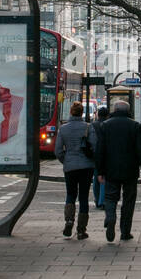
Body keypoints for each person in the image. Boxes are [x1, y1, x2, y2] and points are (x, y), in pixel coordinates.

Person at [95, 98, 141, 242]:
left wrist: (100, 171)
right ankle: (125, 231)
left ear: (115, 110)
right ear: (128, 111)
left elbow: (100, 150)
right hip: (130, 170)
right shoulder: (134, 125)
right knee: (129, 201)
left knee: (111, 197)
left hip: (111, 169)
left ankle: (111, 217)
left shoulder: (105, 125)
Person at [55, 101, 95, 239]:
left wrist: (65, 161)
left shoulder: (63, 129)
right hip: (86, 167)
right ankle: (81, 230)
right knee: (83, 197)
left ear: (71, 112)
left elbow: (58, 150)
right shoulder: (88, 127)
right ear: (82, 112)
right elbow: (95, 146)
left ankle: (69, 220)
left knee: (70, 194)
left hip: (70, 166)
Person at [90, 105, 109, 208]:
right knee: (104, 178)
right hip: (106, 155)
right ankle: (102, 201)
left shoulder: (93, 125)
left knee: (96, 178)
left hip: (95, 156)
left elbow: (91, 141)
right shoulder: (108, 125)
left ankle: (97, 199)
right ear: (107, 116)